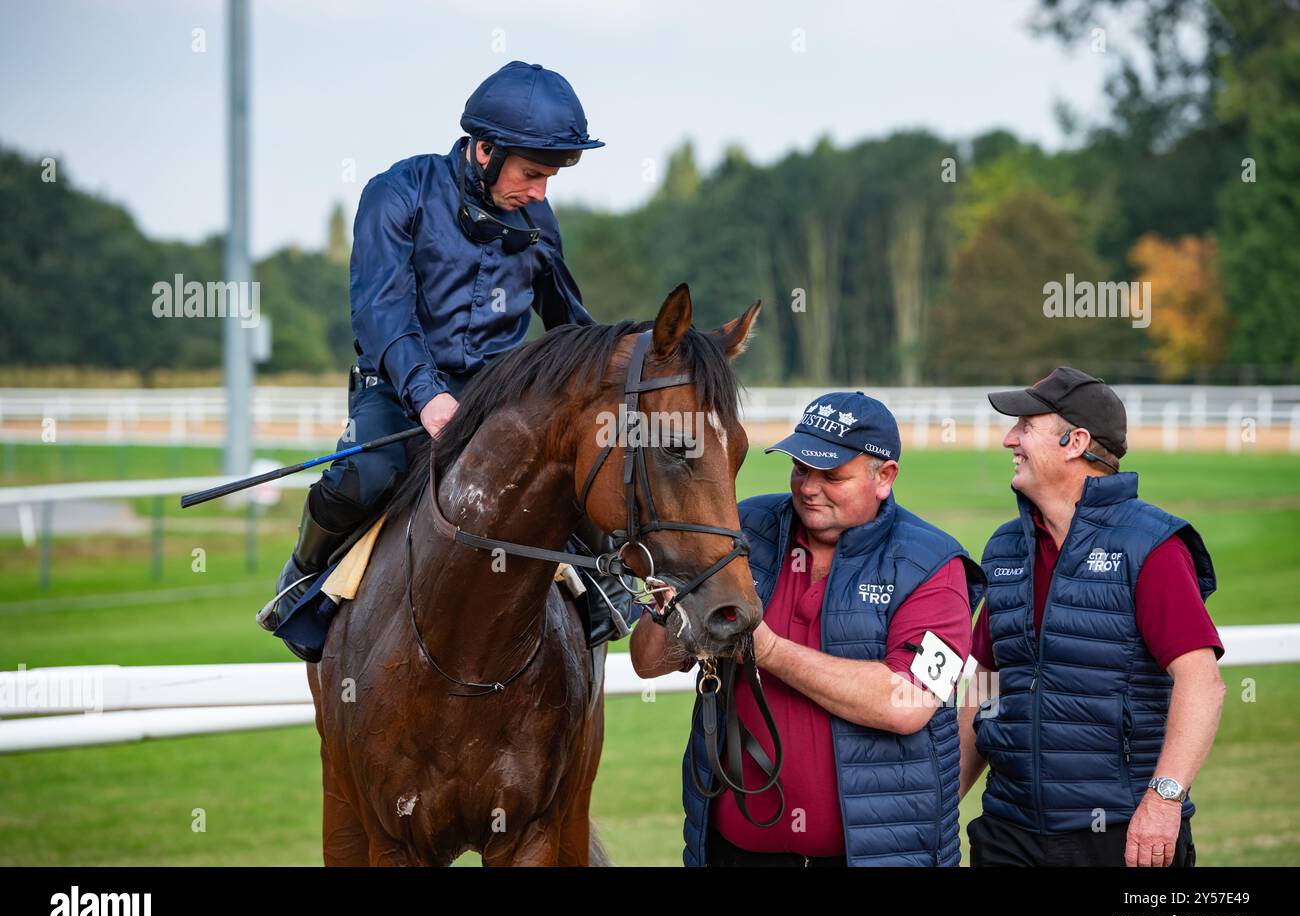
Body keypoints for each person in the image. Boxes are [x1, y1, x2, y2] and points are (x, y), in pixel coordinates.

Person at [256, 61, 633, 659]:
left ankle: (607, 581)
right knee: (365, 477)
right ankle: (303, 574)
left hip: (499, 395)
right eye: (533, 174)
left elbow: (569, 324)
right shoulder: (395, 193)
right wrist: (430, 398)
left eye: (550, 179)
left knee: (578, 462)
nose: (540, 193)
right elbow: (382, 315)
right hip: (399, 384)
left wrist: (625, 370)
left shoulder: (537, 219)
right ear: (485, 150)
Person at [632, 392, 984, 866]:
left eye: (832, 475)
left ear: (884, 476)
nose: (809, 488)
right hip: (731, 851)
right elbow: (649, 663)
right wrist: (667, 614)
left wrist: (769, 650)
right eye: (801, 468)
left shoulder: (933, 565)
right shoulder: (743, 529)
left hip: (882, 856)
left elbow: (906, 704)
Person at [958, 367, 1225, 867]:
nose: (1007, 439)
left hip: (1122, 836)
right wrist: (940, 800)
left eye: (1025, 426)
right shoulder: (1005, 547)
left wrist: (1163, 802)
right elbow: (985, 685)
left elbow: (1202, 683)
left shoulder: (1152, 545)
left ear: (1075, 441)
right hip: (1008, 832)